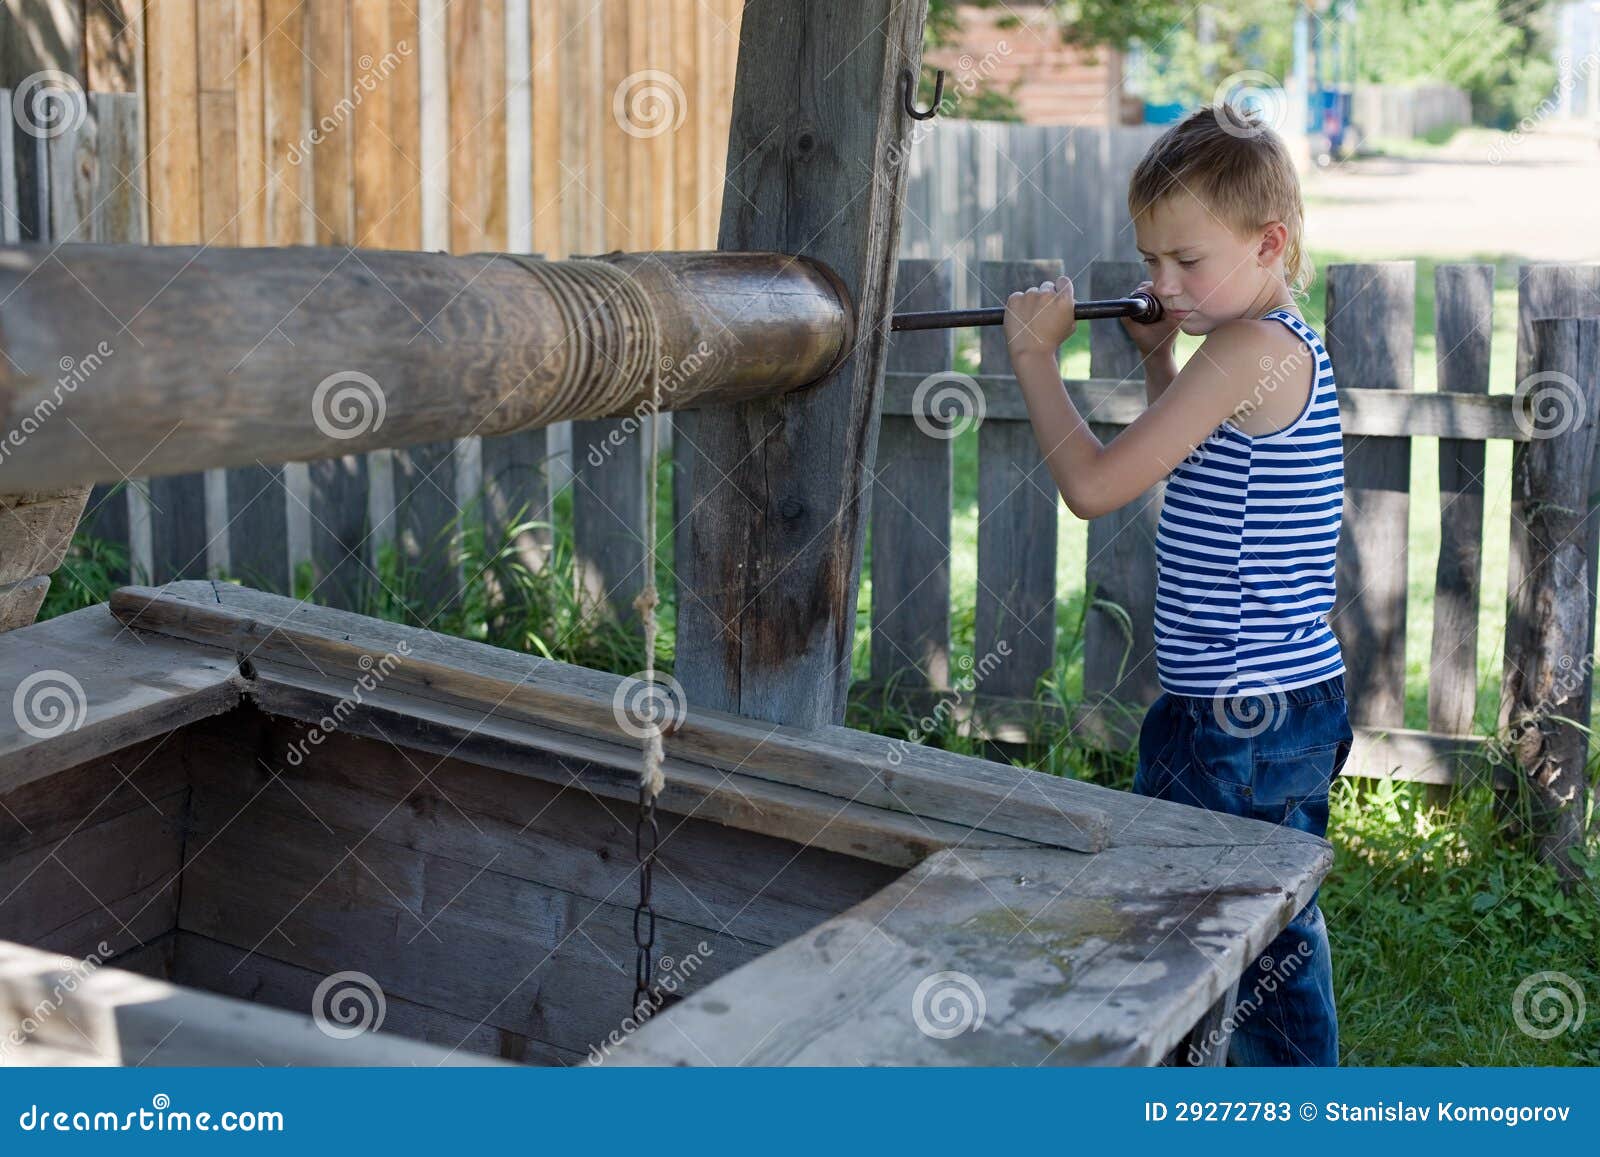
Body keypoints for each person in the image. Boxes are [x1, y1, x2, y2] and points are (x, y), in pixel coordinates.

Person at [1002, 102, 1352, 1066]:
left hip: (1248, 715)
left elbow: (1094, 488)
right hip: (1242, 703)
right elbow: (1193, 476)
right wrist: (1159, 357)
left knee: (1239, 932)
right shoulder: (1262, 347)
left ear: (1268, 241)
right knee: (1229, 921)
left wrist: (1036, 358)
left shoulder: (1250, 351)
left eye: (1186, 262)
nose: (1163, 283)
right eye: (1151, 261)